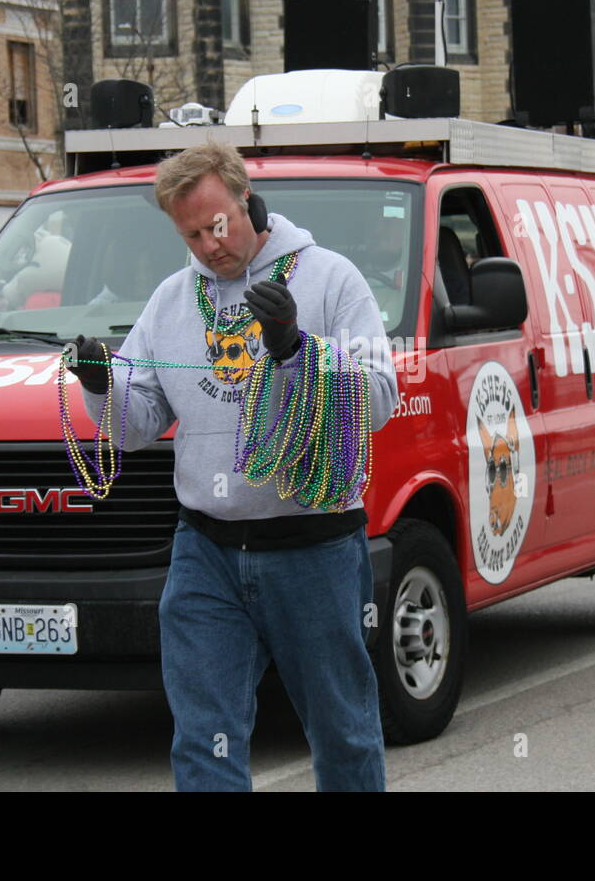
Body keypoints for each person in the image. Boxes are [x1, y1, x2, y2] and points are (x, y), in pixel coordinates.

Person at [68, 142, 399, 791]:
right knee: (203, 739)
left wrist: (297, 349)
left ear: (247, 200)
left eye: (215, 225)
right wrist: (101, 382)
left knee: (344, 734)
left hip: (313, 546)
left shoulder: (330, 278)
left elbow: (381, 400)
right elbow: (135, 427)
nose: (207, 245)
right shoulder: (172, 300)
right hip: (207, 551)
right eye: (189, 233)